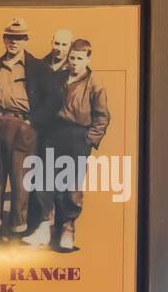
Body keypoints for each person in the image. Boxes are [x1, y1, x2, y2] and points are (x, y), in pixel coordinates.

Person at [0, 19, 59, 248]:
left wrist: (33, 121)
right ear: (4, 39)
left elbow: (54, 100)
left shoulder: (39, 68)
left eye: (19, 38)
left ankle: (17, 232)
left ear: (26, 40)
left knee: (22, 182)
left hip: (24, 128)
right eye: (10, 37)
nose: (14, 42)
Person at [31, 39, 110, 253]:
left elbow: (102, 117)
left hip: (77, 136)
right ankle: (44, 225)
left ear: (88, 59)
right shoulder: (58, 78)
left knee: (71, 185)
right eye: (72, 58)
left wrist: (89, 140)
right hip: (53, 133)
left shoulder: (96, 83)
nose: (74, 62)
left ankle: (67, 227)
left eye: (79, 58)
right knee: (45, 179)